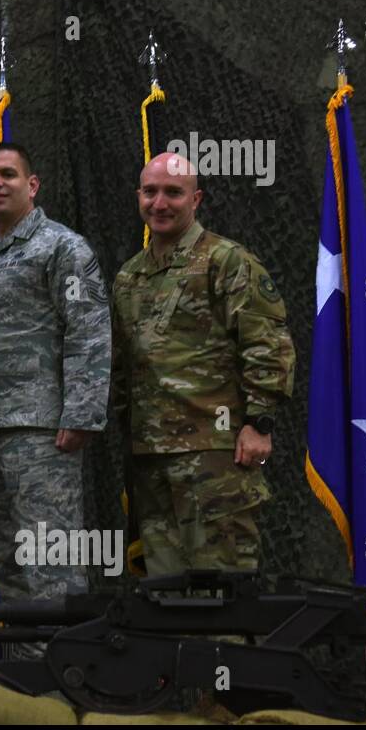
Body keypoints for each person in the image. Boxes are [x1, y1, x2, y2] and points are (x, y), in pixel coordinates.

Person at [111, 152, 295, 576]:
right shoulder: (129, 277)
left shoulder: (225, 261)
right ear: (138, 196)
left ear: (196, 199)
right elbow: (122, 366)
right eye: (150, 192)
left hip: (216, 455)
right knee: (165, 590)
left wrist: (259, 422)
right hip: (151, 459)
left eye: (173, 193)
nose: (160, 203)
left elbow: (267, 343)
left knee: (222, 585)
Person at [0, 141, 110, 657]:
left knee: (51, 561)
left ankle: (67, 677)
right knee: (12, 563)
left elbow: (89, 330)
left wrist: (82, 414)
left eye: (7, 174)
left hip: (44, 430)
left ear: (32, 185)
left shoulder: (61, 247)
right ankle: (27, 677)